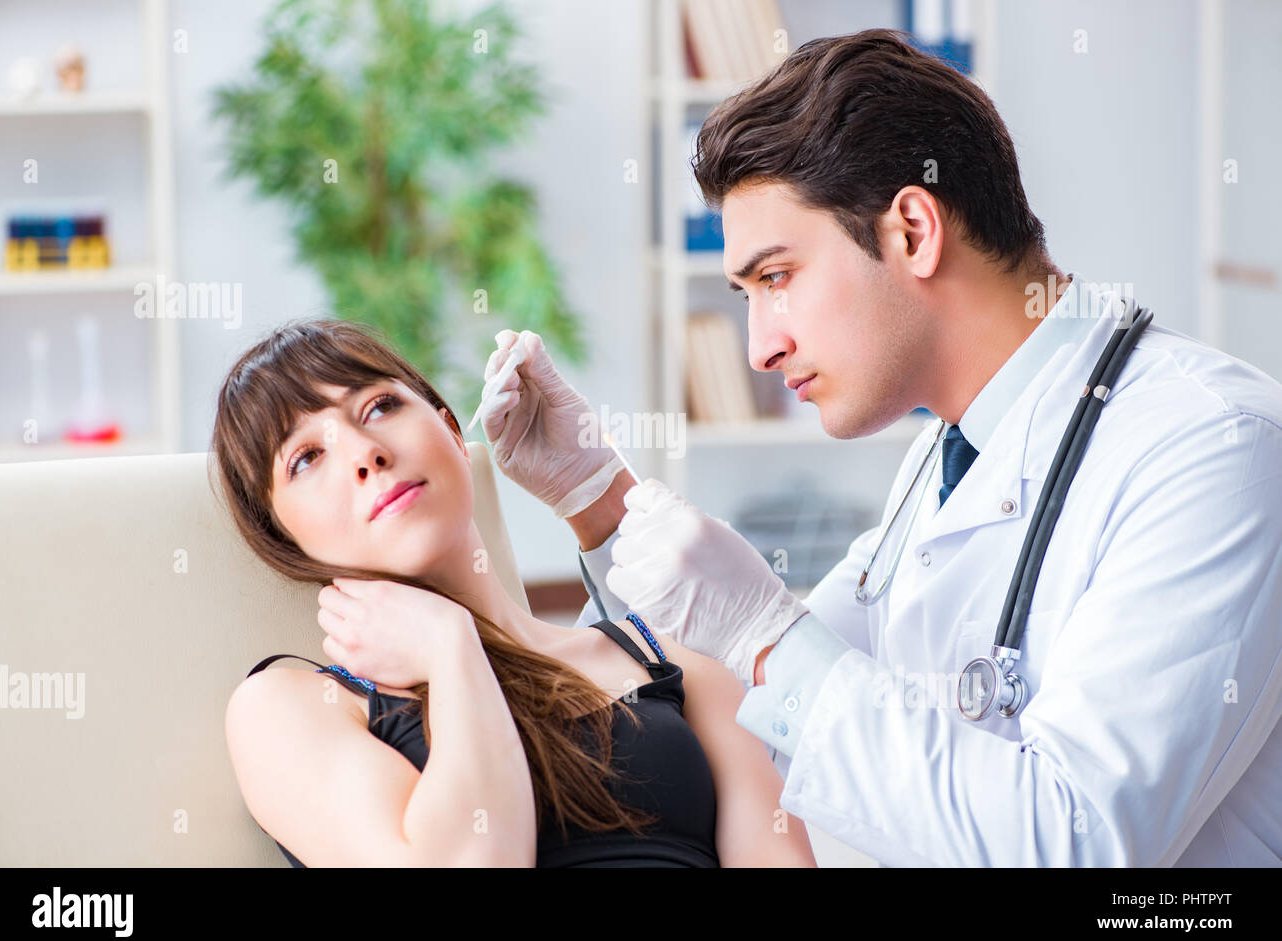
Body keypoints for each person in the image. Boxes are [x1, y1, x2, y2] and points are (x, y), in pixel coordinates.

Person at [478, 30, 1282, 866]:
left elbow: (1068, 841)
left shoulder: (1214, 449)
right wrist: (597, 499)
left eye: (778, 278)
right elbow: (734, 699)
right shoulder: (950, 450)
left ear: (911, 230)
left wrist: (765, 632)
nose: (759, 348)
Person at [214, 318, 816, 868]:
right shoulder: (289, 708)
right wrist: (452, 649)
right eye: (307, 458)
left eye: (379, 407)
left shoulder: (679, 660)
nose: (364, 453)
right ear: (281, 536)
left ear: (452, 430)